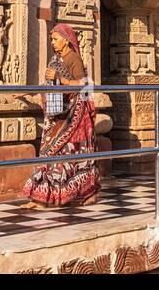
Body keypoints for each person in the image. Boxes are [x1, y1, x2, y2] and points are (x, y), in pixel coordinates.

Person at [21, 23, 100, 208]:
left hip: (73, 115)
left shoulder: (74, 59)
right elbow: (49, 84)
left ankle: (87, 192)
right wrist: (27, 92)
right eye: (51, 40)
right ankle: (41, 197)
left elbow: (85, 85)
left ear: (66, 40)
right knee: (48, 152)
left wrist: (61, 79)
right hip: (57, 112)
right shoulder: (56, 59)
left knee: (70, 154)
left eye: (56, 39)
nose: (53, 43)